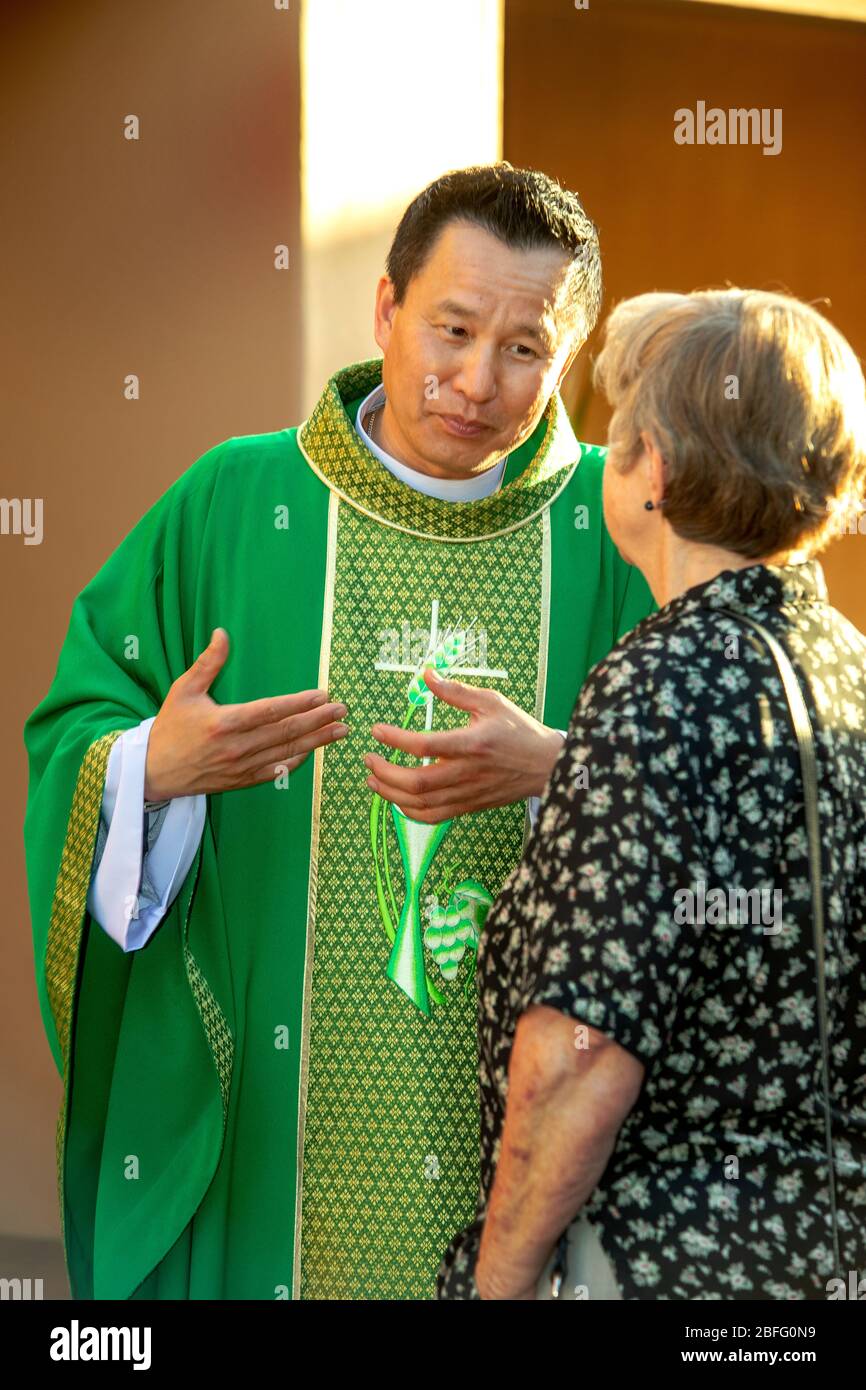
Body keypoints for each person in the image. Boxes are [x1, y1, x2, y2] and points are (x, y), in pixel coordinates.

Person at [22, 164, 654, 1300]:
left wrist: (562, 770)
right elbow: (80, 717)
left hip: (526, 1125)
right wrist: (149, 773)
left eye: (524, 348)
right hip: (268, 1119)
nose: (475, 380)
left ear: (569, 355)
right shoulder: (234, 496)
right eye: (450, 329)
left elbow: (744, 781)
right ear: (384, 310)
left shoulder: (619, 526)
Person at [437, 286, 866, 1301]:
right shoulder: (845, 671)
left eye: (618, 432)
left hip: (660, 1268)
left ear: (656, 468)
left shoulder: (656, 682)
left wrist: (494, 1285)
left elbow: (580, 1055)